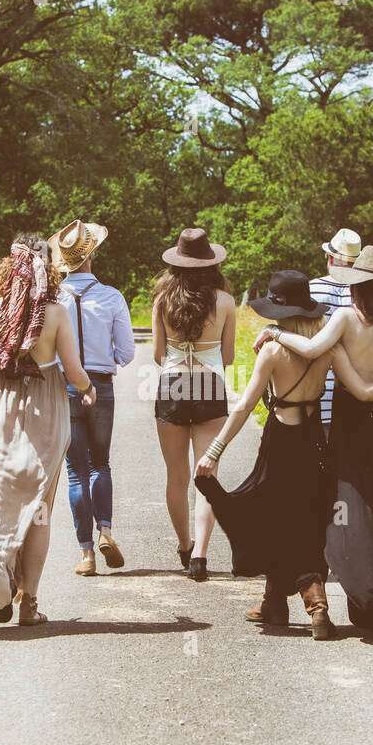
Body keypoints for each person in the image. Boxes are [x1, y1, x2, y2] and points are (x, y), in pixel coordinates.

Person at [193, 270, 373, 639]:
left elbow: (244, 406)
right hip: (313, 442)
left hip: (280, 441)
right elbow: (361, 390)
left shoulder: (274, 350)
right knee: (304, 518)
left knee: (273, 515)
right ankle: (277, 602)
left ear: (281, 312)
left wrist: (215, 449)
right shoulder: (330, 350)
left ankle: (315, 604)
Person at [254, 245, 373, 643]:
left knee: (355, 509)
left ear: (357, 287)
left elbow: (309, 349)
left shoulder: (343, 319)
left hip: (350, 423)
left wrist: (274, 332)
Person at [0, 234, 96, 626]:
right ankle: (28, 601)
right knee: (38, 509)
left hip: (0, 412)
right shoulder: (56, 314)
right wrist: (88, 390)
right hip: (47, 415)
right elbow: (73, 371)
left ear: (8, 268)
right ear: (46, 270)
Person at [50, 219, 136, 577]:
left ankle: (86, 554)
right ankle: (106, 531)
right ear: (92, 256)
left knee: (75, 473)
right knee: (101, 463)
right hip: (100, 384)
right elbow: (129, 353)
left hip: (63, 386)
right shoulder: (111, 296)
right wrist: (105, 356)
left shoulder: (54, 299)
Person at [152, 227, 236, 582]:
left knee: (177, 476)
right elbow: (228, 357)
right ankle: (201, 554)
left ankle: (184, 545)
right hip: (209, 385)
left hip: (172, 384)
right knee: (207, 474)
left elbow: (158, 355)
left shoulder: (161, 299)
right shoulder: (226, 301)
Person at [309, 228, 361, 433]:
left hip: (316, 391)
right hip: (356, 393)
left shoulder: (310, 289)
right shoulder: (364, 295)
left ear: (329, 258)